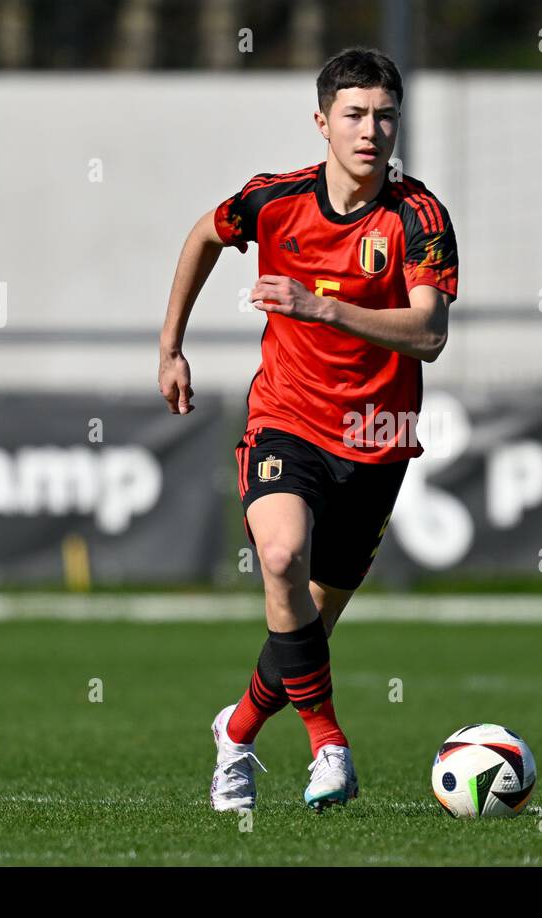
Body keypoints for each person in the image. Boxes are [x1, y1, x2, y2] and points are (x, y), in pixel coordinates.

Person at [157, 47, 459, 812]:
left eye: (385, 116)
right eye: (354, 115)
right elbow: (201, 236)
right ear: (322, 122)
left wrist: (325, 306)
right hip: (286, 422)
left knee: (305, 634)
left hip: (380, 439)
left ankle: (237, 729)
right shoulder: (275, 200)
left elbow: (428, 334)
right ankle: (330, 743)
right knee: (281, 555)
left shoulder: (419, 217)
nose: (371, 131)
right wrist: (170, 348)